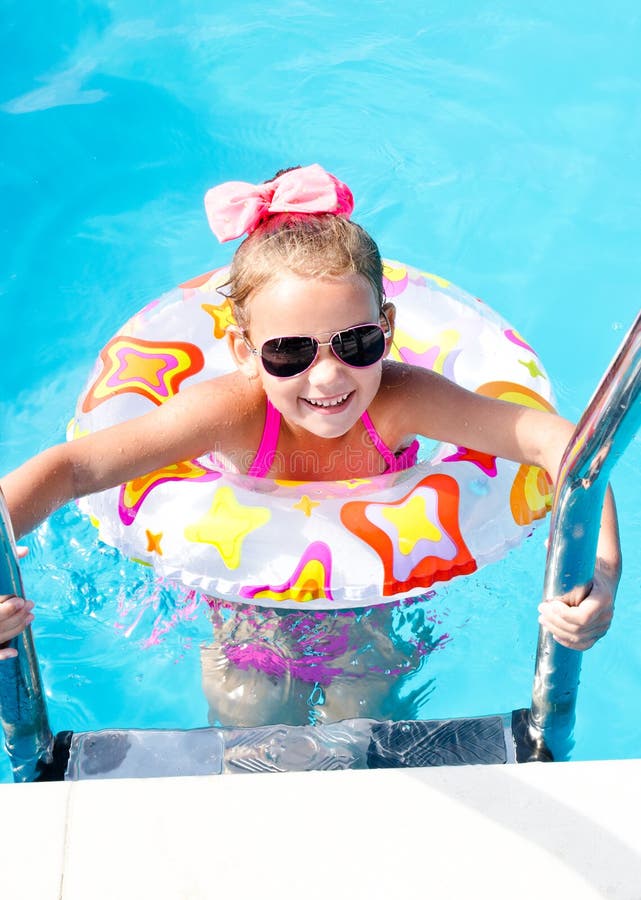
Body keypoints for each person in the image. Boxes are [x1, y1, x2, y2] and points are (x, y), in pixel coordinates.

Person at [0, 165, 621, 724]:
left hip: (371, 611)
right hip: (247, 621)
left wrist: (601, 569)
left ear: (388, 329)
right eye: (289, 352)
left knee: (363, 721)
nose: (327, 377)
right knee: (250, 715)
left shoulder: (401, 399)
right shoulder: (230, 412)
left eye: (355, 343)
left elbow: (565, 446)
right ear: (245, 352)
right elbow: (73, 468)